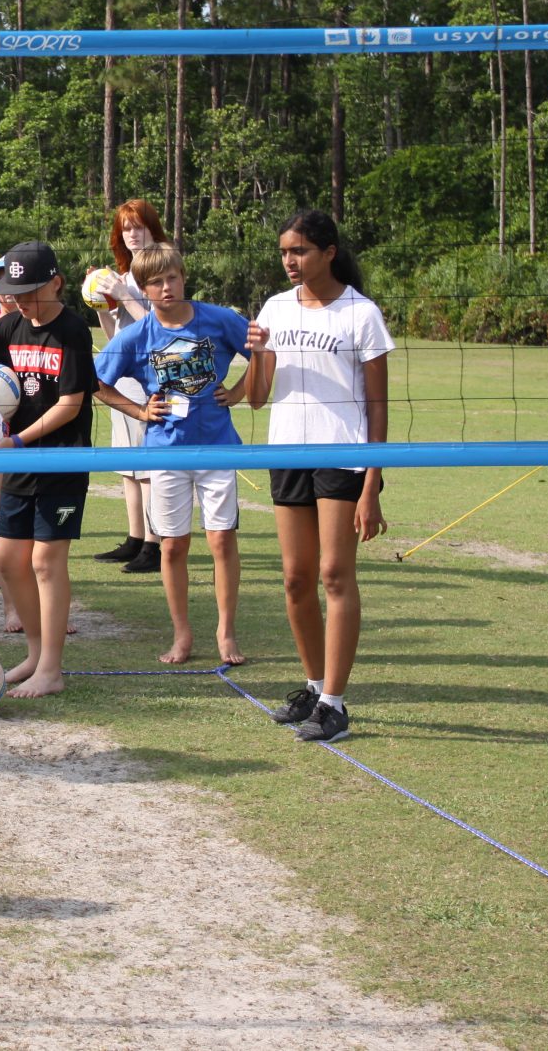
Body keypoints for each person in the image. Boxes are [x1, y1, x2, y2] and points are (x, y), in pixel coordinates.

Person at [245, 209, 392, 744]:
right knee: (295, 578)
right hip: (287, 453)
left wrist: (372, 483)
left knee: (334, 574)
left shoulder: (361, 313)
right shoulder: (274, 309)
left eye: (300, 250)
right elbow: (257, 399)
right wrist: (257, 353)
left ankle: (334, 703)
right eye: (285, 251)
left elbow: (378, 406)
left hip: (343, 456)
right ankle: (312, 687)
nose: (290, 260)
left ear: (329, 253)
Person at [0, 240, 101, 698]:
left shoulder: (72, 330)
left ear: (56, 284)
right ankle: (34, 654)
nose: (21, 301)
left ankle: (51, 669)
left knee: (45, 563)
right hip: (17, 461)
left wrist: (15, 440)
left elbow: (70, 405)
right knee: (10, 561)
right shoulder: (9, 325)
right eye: (14, 293)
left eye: (30, 292)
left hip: (60, 459)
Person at [93, 244, 250, 667]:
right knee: (173, 546)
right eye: (156, 282)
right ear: (143, 290)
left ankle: (226, 631)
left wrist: (237, 392)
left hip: (217, 448)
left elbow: (262, 352)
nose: (166, 287)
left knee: (221, 539)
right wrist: (140, 411)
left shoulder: (219, 319)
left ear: (183, 278)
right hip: (164, 453)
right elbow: (95, 382)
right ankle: (182, 634)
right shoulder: (137, 335)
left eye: (172, 278)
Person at [85, 199, 169, 574]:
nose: (132, 234)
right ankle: (135, 538)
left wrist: (125, 296)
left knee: (148, 467)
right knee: (128, 465)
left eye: (138, 226)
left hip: (152, 380)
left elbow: (159, 328)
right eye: (125, 228)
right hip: (124, 380)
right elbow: (115, 336)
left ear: (153, 229)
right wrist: (103, 306)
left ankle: (154, 544)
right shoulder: (125, 276)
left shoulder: (160, 270)